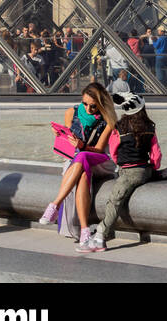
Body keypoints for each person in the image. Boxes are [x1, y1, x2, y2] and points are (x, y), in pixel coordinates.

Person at [39, 83, 117, 247]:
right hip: (79, 159)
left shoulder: (108, 120)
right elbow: (68, 143)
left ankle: (55, 204)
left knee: (82, 157)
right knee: (82, 170)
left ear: (101, 104)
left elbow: (99, 149)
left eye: (93, 106)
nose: (88, 108)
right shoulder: (71, 112)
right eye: (85, 104)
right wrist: (60, 134)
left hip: (100, 159)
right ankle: (84, 231)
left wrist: (81, 146)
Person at [82, 93, 161, 253]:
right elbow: (156, 154)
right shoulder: (150, 126)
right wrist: (152, 167)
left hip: (128, 171)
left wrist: (121, 163)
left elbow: (114, 150)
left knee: (114, 201)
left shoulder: (120, 127)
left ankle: (100, 237)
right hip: (144, 170)